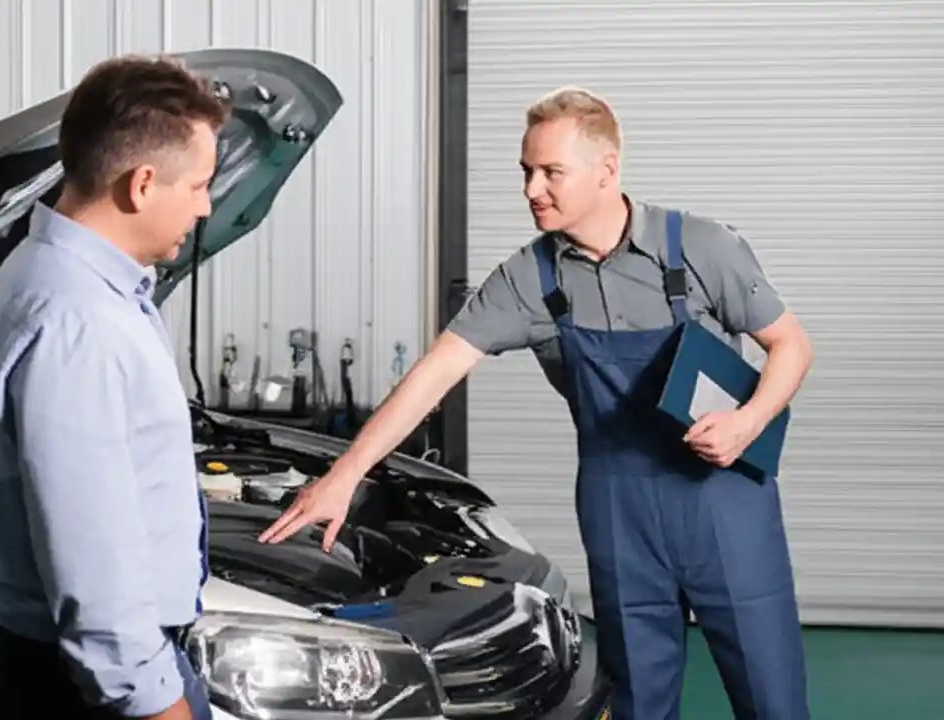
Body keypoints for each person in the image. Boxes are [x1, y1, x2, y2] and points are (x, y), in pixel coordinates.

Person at [260, 86, 815, 719]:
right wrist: (345, 474)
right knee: (638, 700)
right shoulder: (530, 279)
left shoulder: (700, 247)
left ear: (606, 170)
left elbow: (791, 346)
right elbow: (435, 372)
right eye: (526, 171)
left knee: (770, 695)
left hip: (724, 501)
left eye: (552, 172)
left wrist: (748, 421)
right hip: (619, 509)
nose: (532, 189)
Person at [0, 54, 229, 719]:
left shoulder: (60, 277)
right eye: (200, 185)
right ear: (143, 184)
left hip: (77, 664)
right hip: (90, 685)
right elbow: (91, 557)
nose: (205, 206)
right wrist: (156, 701)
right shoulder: (78, 322)